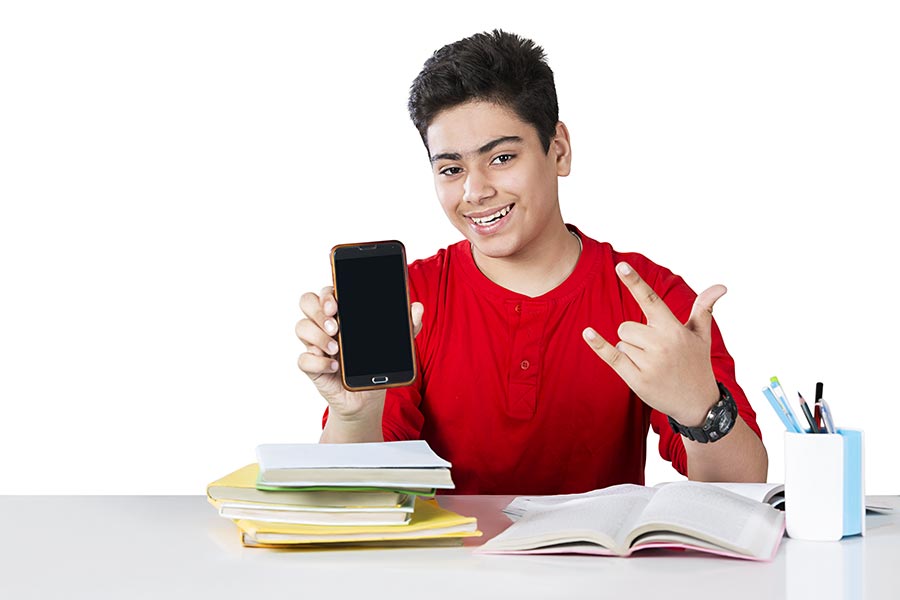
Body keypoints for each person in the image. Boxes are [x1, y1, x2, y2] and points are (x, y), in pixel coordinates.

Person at [296, 30, 768, 495]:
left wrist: (700, 407)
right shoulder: (408, 300)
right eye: (451, 169)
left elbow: (745, 488)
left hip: (600, 568)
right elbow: (351, 500)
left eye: (501, 157)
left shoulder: (650, 297)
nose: (474, 191)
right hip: (443, 568)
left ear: (558, 149)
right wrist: (351, 417)